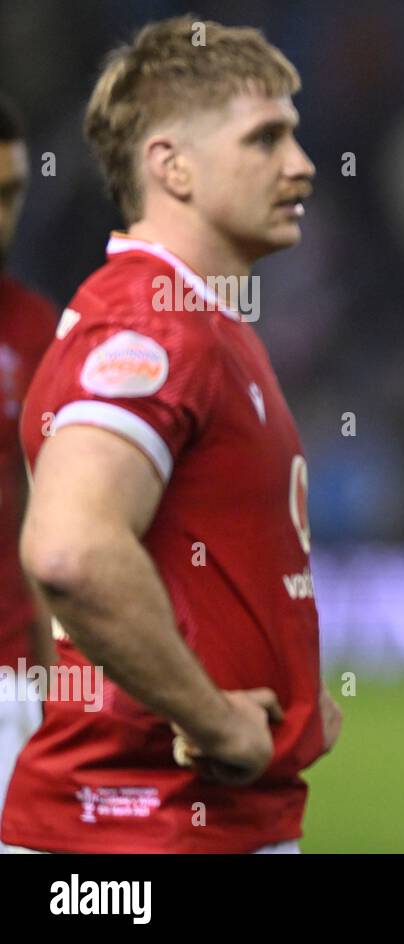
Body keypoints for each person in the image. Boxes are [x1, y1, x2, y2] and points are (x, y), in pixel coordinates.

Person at [1, 17, 340, 854]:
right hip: (137, 830)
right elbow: (70, 552)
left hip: (188, 822)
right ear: (170, 165)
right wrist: (213, 717)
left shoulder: (199, 322)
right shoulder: (151, 325)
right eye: (266, 138)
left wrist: (289, 687)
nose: (299, 164)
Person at [0, 92, 57, 819]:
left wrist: (60, 685)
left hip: (7, 684)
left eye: (10, 194)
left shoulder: (34, 331)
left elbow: (50, 526)